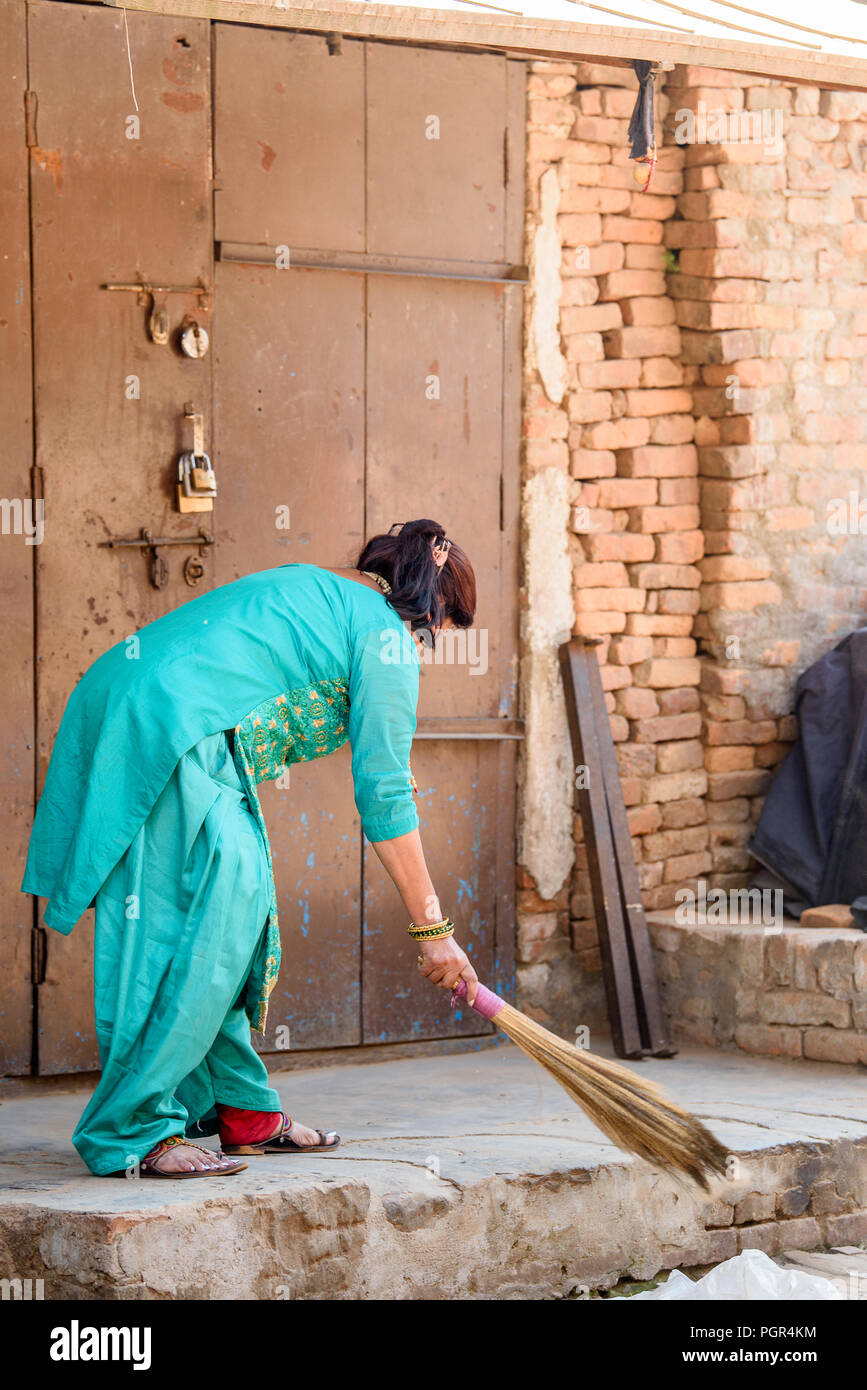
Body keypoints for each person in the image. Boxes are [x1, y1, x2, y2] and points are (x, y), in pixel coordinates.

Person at [22, 519, 480, 1177]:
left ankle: (245, 1114)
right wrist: (432, 930)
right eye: (437, 631)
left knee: (233, 923)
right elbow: (384, 797)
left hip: (140, 710)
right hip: (172, 732)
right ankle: (133, 1130)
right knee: (191, 930)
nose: (426, 647)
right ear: (428, 610)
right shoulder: (387, 640)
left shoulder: (317, 588)